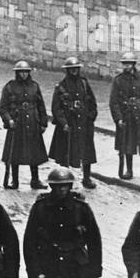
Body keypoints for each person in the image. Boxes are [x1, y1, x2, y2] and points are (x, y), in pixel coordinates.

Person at [49, 57, 99, 189]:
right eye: (71, 69)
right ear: (67, 70)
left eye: (76, 69)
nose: (74, 71)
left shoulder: (84, 83)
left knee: (87, 152)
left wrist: (91, 116)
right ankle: (65, 179)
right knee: (66, 153)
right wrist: (63, 123)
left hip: (84, 123)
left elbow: (92, 102)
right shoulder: (61, 87)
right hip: (68, 124)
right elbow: (56, 108)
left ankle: (87, 178)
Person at [0, 60, 49, 190]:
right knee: (15, 153)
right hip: (17, 123)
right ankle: (14, 181)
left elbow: (41, 106)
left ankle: (35, 180)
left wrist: (43, 122)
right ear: (17, 73)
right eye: (21, 72)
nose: (24, 74)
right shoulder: (10, 87)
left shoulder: (35, 86)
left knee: (34, 153)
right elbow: (3, 108)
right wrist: (8, 120)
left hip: (32, 122)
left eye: (26, 72)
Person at [109, 52, 140, 179]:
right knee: (128, 144)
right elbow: (114, 102)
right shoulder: (118, 80)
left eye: (129, 63)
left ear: (134, 64)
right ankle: (129, 170)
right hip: (127, 114)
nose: (127, 66)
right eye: (124, 64)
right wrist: (118, 118)